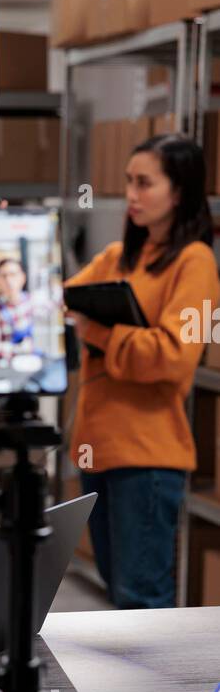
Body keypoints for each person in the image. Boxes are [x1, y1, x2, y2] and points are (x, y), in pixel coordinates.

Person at [66, 132, 218, 609]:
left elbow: (174, 355)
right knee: (119, 601)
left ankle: (156, 690)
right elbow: (61, 300)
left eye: (145, 183)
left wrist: (98, 332)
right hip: (98, 450)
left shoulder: (195, 262)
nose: (132, 194)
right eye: (129, 182)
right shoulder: (118, 258)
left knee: (141, 605)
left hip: (148, 459)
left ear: (179, 191)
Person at [0, 256, 35, 363]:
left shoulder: (34, 303)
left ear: (23, 277)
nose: (8, 280)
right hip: (8, 368)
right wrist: (19, 349)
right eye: (3, 276)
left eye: (13, 274)